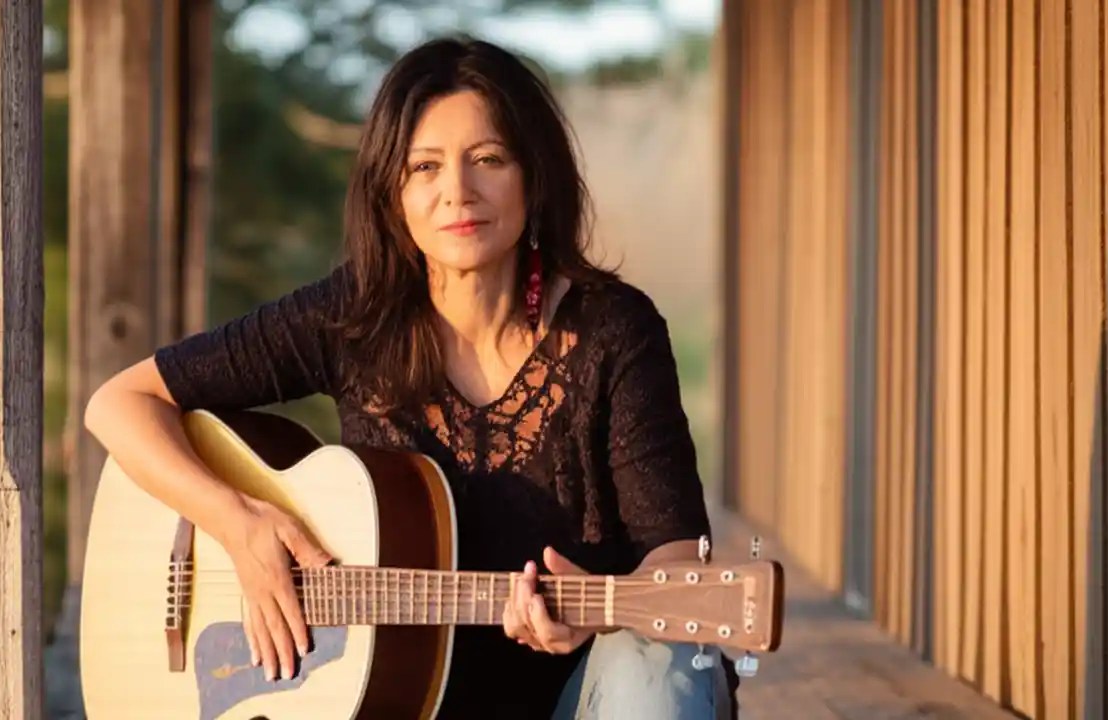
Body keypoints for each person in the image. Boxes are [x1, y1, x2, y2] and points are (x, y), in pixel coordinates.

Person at [84, 36, 736, 720]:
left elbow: (677, 556)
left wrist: (599, 616)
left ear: (533, 175)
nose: (458, 191)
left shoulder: (612, 332)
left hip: (582, 699)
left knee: (660, 662)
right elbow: (120, 403)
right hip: (390, 699)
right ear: (392, 191)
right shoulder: (352, 317)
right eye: (425, 166)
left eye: (488, 159)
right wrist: (239, 526)